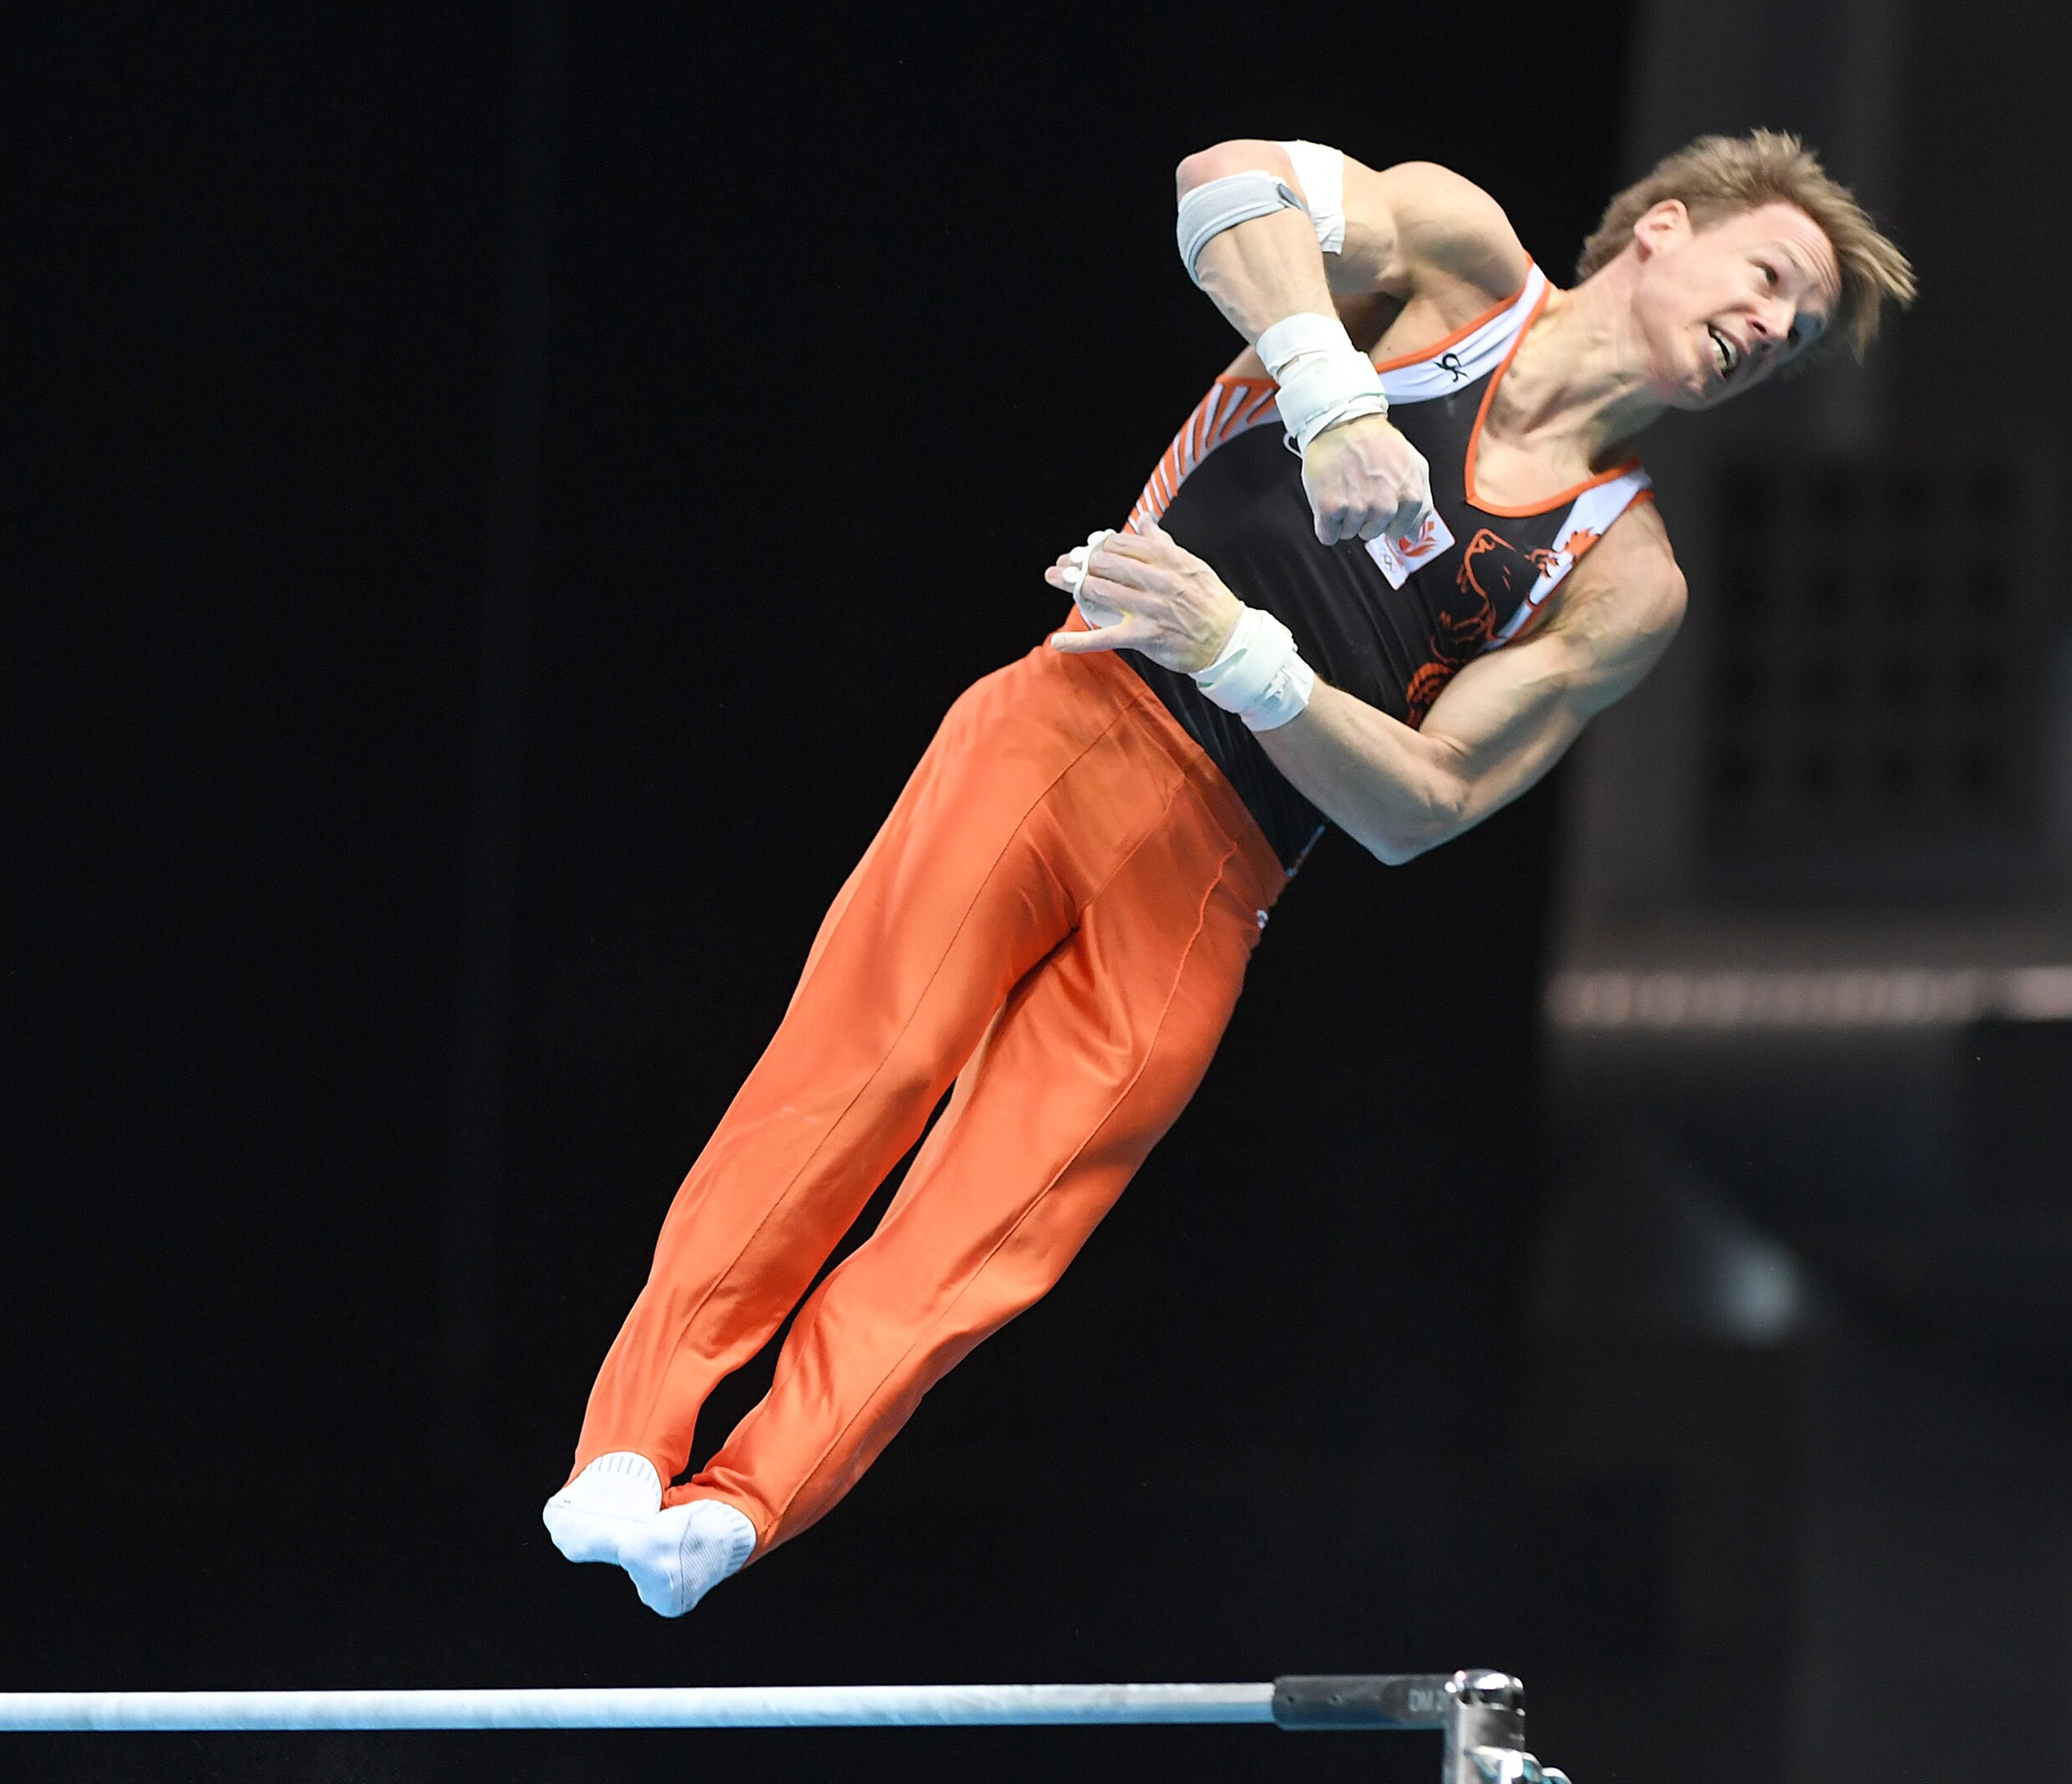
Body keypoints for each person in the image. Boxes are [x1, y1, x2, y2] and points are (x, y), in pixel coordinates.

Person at [543, 130, 1914, 1616]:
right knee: (861, 1074)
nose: (1773, 329)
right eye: (1773, 277)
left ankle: (741, 1513)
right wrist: (1329, 396)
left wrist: (1246, 657)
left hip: (1218, 883)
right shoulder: (1453, 256)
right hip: (1067, 731)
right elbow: (1220, 183)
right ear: (1660, 228)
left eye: (1797, 339)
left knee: (1000, 1221)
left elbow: (1429, 801)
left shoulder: (1622, 577)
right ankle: (630, 1440)